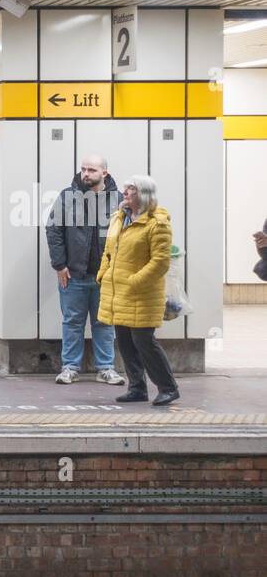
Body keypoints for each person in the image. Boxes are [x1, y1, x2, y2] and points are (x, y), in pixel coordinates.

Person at [96, 174, 179, 406]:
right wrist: (103, 274)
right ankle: (137, 388)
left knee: (144, 341)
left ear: (143, 194)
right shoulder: (119, 217)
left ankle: (168, 388)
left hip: (141, 293)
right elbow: (108, 251)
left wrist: (134, 281)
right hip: (117, 291)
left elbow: (160, 261)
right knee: (124, 340)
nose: (125, 191)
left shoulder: (157, 223)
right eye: (125, 187)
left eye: (131, 188)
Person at [45, 155, 126, 386]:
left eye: (91, 169)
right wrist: (59, 265)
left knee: (105, 322)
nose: (86, 174)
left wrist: (117, 269)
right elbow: (54, 230)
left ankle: (106, 369)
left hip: (105, 276)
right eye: (83, 169)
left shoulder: (118, 200)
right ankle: (70, 368)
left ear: (104, 173)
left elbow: (126, 236)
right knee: (72, 321)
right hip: (74, 274)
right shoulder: (68, 197)